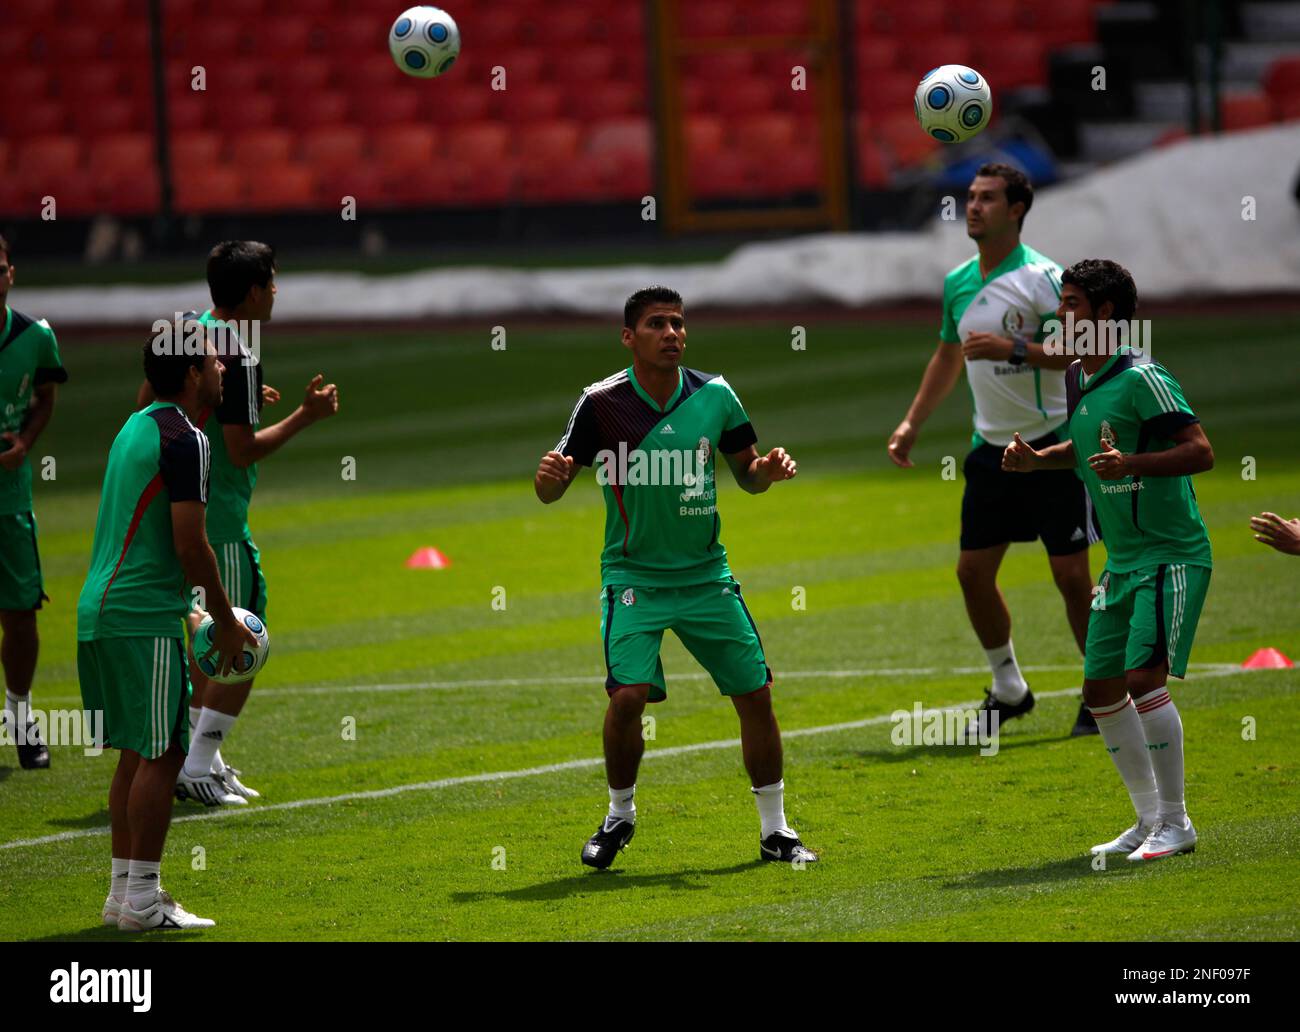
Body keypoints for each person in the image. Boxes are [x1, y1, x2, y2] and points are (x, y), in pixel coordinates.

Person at [536, 286, 816, 868]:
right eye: (657, 324)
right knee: (628, 698)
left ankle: (775, 830)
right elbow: (551, 489)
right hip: (633, 578)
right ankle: (619, 817)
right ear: (628, 337)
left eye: (678, 324)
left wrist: (768, 470)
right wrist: (551, 475)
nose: (672, 334)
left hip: (707, 578)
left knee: (756, 696)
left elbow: (748, 474)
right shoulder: (600, 402)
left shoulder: (716, 395)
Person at [1003, 259, 1214, 861]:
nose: (1059, 314)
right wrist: (1039, 459)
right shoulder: (1077, 376)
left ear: (1106, 315)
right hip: (1121, 562)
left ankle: (1177, 821)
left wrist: (1133, 466)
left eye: (1070, 303)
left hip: (1170, 555)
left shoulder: (1144, 376)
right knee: (1100, 691)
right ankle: (1148, 819)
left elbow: (1200, 451)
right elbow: (1090, 443)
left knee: (1142, 679)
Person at [887, 164, 1099, 737]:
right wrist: (912, 423)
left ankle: (1099, 693)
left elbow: (1080, 347)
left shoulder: (1045, 278)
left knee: (1072, 577)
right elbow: (946, 356)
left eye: (987, 199)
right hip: (991, 449)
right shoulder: (958, 281)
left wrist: (1013, 347)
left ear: (1017, 210)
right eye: (970, 197)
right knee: (972, 572)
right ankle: (1010, 687)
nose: (973, 207)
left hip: (1054, 444)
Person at [136, 241, 339, 805]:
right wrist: (306, 415)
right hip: (218, 519)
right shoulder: (240, 353)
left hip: (175, 504)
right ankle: (194, 763)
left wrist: (232, 402)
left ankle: (205, 757)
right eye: (272, 282)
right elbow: (242, 451)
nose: (276, 292)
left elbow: (146, 403)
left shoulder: (188, 332)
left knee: (211, 635)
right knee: (242, 637)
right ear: (252, 291)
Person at [80, 316, 257, 930]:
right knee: (163, 753)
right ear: (190, 373)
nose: (223, 368)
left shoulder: (133, 428)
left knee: (134, 754)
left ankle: (121, 895)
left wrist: (190, 608)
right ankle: (144, 899)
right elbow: (190, 543)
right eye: (212, 360)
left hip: (103, 610)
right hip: (140, 616)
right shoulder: (187, 440)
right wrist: (228, 620)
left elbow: (137, 530)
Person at [0, 233, 67, 769]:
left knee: (21, 614)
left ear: (12, 273)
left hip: (10, 501)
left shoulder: (35, 336)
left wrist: (25, 443)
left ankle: (20, 719)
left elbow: (45, 398)